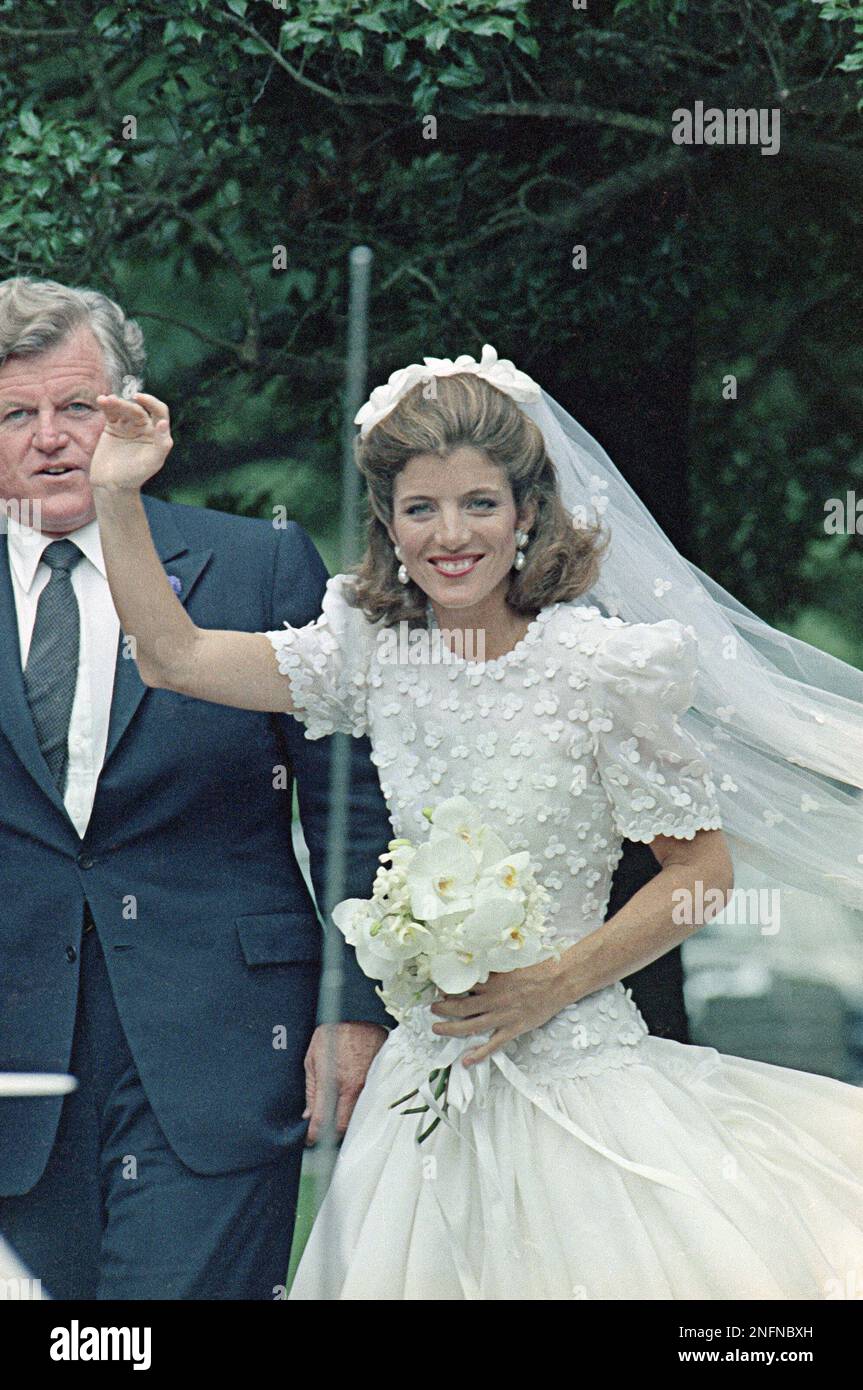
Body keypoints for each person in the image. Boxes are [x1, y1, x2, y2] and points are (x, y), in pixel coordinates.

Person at [85, 345, 863, 1299]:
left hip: (584, 1080)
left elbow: (700, 873)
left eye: (478, 505)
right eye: (420, 508)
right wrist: (117, 497)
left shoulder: (603, 670)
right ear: (387, 521)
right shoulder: (371, 650)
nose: (450, 535)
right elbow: (173, 657)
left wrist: (552, 983)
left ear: (527, 513)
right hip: (424, 1097)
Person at [0, 277, 392, 1300]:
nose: (50, 438)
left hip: (221, 1047)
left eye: (77, 407)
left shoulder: (255, 563)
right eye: (16, 413)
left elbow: (352, 800)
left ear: (130, 409)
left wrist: (352, 1006)